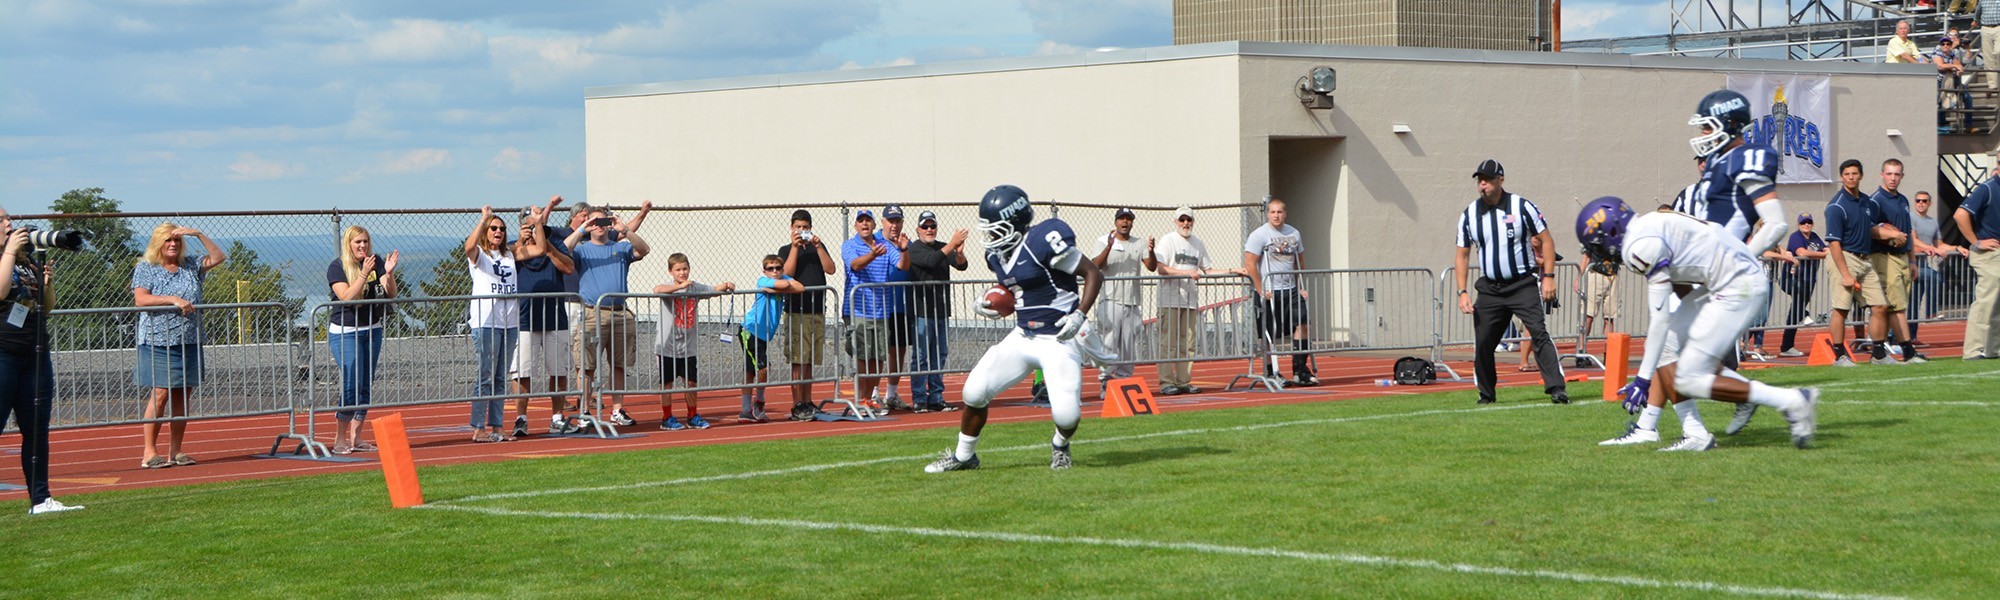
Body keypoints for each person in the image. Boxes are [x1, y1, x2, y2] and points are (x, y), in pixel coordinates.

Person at [1582, 199, 1820, 452]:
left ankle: (1792, 399)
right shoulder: (1650, 224)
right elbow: (1680, 280)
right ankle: (1668, 430)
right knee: (1668, 348)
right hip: (1727, 280)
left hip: (1737, 284)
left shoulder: (1639, 246)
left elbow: (1660, 319)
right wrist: (1691, 323)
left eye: (1598, 246)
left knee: (1686, 376)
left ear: (1612, 233)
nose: (1599, 253)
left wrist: (1642, 379)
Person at [925, 185, 1103, 473]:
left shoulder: (1042, 241)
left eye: (995, 228)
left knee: (1067, 415)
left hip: (1058, 336)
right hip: (1023, 336)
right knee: (974, 391)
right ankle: (964, 456)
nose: (991, 236)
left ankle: (1060, 445)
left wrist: (1079, 315)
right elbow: (1013, 289)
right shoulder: (997, 255)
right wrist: (988, 300)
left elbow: (1093, 273)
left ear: (1014, 222)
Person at [1453, 159, 1567, 404]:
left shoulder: (1522, 207)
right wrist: (1462, 292)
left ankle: (1557, 388)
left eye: (1487, 179)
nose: (1482, 184)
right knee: (1484, 342)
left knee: (1538, 332)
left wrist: (1549, 277)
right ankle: (1486, 394)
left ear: (1500, 180)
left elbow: (1546, 241)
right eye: (1479, 180)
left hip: (1521, 284)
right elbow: (1462, 254)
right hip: (1490, 288)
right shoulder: (1470, 214)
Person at [1, 206, 83, 514]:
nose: (9, 224)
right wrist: (9, 252)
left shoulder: (26, 261)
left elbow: (45, 308)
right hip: (3, 353)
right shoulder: (9, 257)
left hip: (34, 353)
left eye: (9, 218)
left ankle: (40, 499)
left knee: (36, 429)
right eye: (1, 220)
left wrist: (47, 283)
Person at [129, 222, 225, 469]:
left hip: (188, 339)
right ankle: (149, 452)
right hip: (157, 340)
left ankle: (176, 450)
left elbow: (218, 257)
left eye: (177, 241)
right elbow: (141, 299)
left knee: (183, 394)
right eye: (168, 240)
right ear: (158, 243)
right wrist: (172, 299)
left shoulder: (190, 265)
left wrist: (198, 233)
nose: (173, 245)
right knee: (160, 394)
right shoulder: (146, 268)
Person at [565, 202, 653, 427]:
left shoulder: (620, 248)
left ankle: (617, 410)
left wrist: (625, 230)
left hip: (620, 313)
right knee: (586, 365)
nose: (599, 226)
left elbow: (644, 250)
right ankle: (585, 412)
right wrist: (582, 228)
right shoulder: (582, 249)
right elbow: (564, 249)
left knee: (619, 364)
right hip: (592, 313)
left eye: (603, 221)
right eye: (595, 222)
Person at [1152, 206, 1240, 395]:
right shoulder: (1168, 240)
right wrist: (1185, 273)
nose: (1186, 223)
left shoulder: (1198, 242)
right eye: (1182, 219)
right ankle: (1166, 382)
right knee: (1168, 343)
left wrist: (1233, 270)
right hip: (1169, 300)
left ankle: (1183, 381)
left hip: (1190, 301)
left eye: (1189, 220)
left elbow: (1208, 270)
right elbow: (1161, 268)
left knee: (1188, 343)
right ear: (1176, 221)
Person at [327, 225, 399, 455]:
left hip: (372, 329)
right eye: (358, 242)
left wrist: (389, 273)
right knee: (351, 383)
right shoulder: (337, 267)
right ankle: (340, 438)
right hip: (345, 331)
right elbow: (346, 296)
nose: (362, 246)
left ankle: (356, 437)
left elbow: (391, 293)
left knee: (365, 383)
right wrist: (363, 274)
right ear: (349, 244)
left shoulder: (374, 262)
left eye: (365, 241)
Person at [511, 199, 578, 436]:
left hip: (555, 317)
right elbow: (507, 260)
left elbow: (568, 268)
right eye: (530, 224)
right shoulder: (513, 247)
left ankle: (557, 417)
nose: (533, 228)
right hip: (524, 319)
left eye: (537, 223)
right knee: (522, 371)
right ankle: (521, 418)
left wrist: (546, 244)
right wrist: (522, 241)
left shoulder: (555, 243)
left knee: (558, 370)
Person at [652, 252, 734, 430]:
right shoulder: (668, 286)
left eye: (685, 269)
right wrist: (679, 287)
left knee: (691, 382)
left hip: (688, 345)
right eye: (678, 270)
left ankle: (692, 415)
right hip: (667, 345)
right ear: (671, 271)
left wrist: (726, 285)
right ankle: (667, 417)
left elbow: (712, 290)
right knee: (667, 383)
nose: (682, 273)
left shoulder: (694, 287)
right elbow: (657, 290)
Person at [1243, 198, 1318, 387]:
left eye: (1279, 212)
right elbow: (1250, 264)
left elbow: (1299, 261)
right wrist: (1261, 289)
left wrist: (1300, 286)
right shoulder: (1259, 235)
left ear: (1285, 214)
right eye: (1273, 212)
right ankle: (1271, 371)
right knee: (1268, 333)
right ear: (1268, 214)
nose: (1276, 216)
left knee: (1303, 324)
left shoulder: (1294, 233)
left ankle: (1300, 369)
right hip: (1269, 291)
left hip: (1290, 290)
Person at [465, 206, 521, 443]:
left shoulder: (509, 254)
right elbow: (468, 247)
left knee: (500, 377)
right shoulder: (480, 255)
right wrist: (483, 220)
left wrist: (540, 219)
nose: (498, 232)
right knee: (485, 375)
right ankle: (478, 428)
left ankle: (497, 426)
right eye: (494, 228)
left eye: (502, 228)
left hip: (509, 322)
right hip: (486, 321)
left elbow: (538, 249)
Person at [904, 210, 968, 412]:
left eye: (932, 226)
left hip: (941, 311)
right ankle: (919, 398)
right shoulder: (915, 248)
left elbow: (961, 266)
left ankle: (936, 397)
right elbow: (931, 261)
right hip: (921, 312)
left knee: (939, 355)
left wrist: (959, 252)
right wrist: (952, 244)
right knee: (921, 357)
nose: (929, 229)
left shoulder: (943, 247)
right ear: (918, 229)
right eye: (925, 226)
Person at [1823, 160, 1885, 367]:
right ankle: (1839, 356)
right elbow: (1834, 243)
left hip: (1865, 259)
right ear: (1842, 177)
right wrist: (1845, 274)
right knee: (1841, 309)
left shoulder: (1866, 201)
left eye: (1854, 173)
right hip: (1844, 258)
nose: (1851, 177)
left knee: (1880, 306)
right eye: (1847, 174)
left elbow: (1870, 229)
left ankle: (1879, 355)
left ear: (1861, 176)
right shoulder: (1836, 206)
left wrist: (1892, 234)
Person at [1864, 159, 1926, 363]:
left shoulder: (1903, 200)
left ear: (1902, 176)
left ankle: (1880, 352)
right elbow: (1869, 228)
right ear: (1882, 174)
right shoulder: (1875, 200)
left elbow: (1908, 232)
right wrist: (1890, 234)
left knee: (1893, 306)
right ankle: (1907, 352)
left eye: (1897, 174)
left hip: (1901, 258)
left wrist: (1912, 260)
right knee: (1895, 306)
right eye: (1889, 174)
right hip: (1885, 257)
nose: (1893, 178)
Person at [779, 209, 836, 418]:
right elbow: (787, 273)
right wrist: (795, 247)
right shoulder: (786, 250)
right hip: (797, 311)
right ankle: (797, 404)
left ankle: (808, 400)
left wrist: (818, 246)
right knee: (798, 359)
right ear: (791, 228)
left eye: (805, 227)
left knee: (810, 359)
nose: (801, 231)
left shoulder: (817, 248)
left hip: (817, 310)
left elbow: (831, 269)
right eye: (798, 227)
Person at [841, 208, 899, 415]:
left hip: (881, 311)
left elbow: (902, 264)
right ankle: (862, 400)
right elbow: (855, 265)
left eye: (868, 221)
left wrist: (904, 250)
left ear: (875, 225)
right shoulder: (849, 245)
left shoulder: (885, 245)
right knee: (863, 357)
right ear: (855, 225)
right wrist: (872, 255)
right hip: (857, 310)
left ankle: (869, 399)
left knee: (879, 358)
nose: (864, 224)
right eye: (861, 221)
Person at [1089, 207, 1152, 394]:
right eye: (1122, 219)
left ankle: (1124, 380)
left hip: (1132, 301)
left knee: (1128, 344)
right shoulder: (1103, 240)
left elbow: (1151, 266)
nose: (1125, 222)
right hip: (1111, 300)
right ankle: (1106, 379)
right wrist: (1109, 246)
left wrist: (1152, 251)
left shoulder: (1139, 242)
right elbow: (1095, 265)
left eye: (1128, 219)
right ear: (1115, 221)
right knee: (1109, 343)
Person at [741, 254, 803, 422]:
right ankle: (758, 403)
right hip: (750, 330)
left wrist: (777, 290)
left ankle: (745, 411)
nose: (774, 271)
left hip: (763, 334)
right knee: (763, 368)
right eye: (770, 268)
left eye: (778, 268)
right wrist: (782, 286)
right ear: (765, 271)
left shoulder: (782, 278)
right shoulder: (763, 280)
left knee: (751, 370)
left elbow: (800, 287)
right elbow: (785, 284)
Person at [1909, 191, 1967, 343]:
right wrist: (1932, 249)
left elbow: (1940, 245)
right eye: (1918, 200)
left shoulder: (1933, 222)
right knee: (1935, 277)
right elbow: (1913, 240)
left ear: (1930, 203)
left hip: (1923, 263)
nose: (1921, 203)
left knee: (1914, 301)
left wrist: (1957, 248)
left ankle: (1911, 337)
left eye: (1924, 201)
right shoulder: (1910, 217)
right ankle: (1932, 311)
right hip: (1911, 263)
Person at [875, 204, 915, 411]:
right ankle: (873, 394)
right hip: (878, 307)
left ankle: (891, 394)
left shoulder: (907, 243)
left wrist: (904, 248)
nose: (894, 225)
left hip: (901, 306)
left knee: (898, 350)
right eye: (891, 221)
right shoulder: (873, 241)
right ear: (882, 222)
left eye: (898, 221)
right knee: (877, 352)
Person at [1957, 172, 2000, 359]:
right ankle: (1973, 350)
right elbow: (1960, 215)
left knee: (1996, 304)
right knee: (1986, 302)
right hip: (1990, 253)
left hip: (1995, 252)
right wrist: (1976, 242)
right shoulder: (1987, 188)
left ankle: (1993, 349)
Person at [1774, 213, 1828, 357]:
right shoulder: (1795, 236)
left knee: (1795, 312)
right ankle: (1805, 315)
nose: (1806, 225)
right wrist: (1823, 255)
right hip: (1791, 278)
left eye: (1809, 222)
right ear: (1798, 224)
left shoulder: (1814, 237)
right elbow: (1802, 252)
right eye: (1803, 222)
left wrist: (1826, 251)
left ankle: (1786, 346)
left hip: (1809, 280)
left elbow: (1824, 248)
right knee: (1798, 304)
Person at [1577, 218, 1621, 358]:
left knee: (1610, 317)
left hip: (1612, 276)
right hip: (1596, 275)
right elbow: (1586, 258)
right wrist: (1578, 279)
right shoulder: (1594, 236)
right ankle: (1581, 350)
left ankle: (1609, 353)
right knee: (1588, 316)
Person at [1934, 36, 1971, 131]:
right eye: (1943, 44)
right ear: (1940, 45)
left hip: (1954, 80)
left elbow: (1959, 64)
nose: (1945, 46)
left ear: (1951, 45)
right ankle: (1941, 125)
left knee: (1968, 97)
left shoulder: (1953, 53)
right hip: (1940, 81)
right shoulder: (1937, 53)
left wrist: (1959, 69)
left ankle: (1969, 125)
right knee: (1941, 101)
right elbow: (1940, 65)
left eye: (1948, 44)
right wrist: (1954, 66)